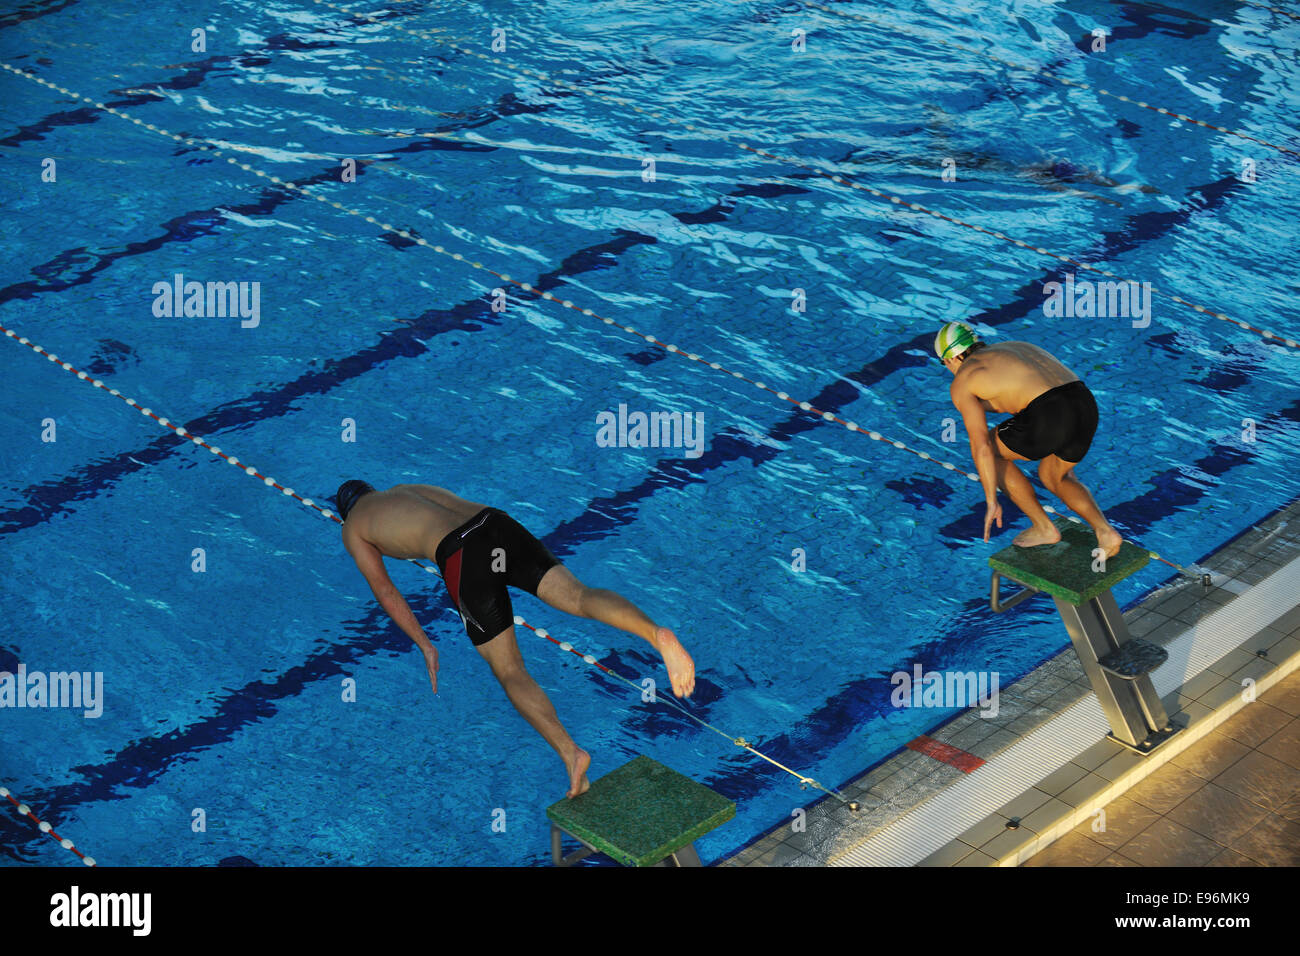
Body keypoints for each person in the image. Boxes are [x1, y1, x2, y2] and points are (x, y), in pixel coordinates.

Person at [334, 480, 695, 798]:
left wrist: (425, 644)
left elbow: (385, 591)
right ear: (370, 490)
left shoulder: (353, 527)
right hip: (496, 524)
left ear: (347, 509)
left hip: (460, 552)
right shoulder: (405, 489)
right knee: (579, 597)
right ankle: (656, 634)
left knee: (509, 670)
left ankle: (572, 753)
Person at [936, 322, 1122, 558]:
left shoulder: (963, 379)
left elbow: (980, 446)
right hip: (1084, 403)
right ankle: (1106, 531)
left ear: (951, 358)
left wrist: (991, 499)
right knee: (1055, 476)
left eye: (944, 363)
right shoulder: (1016, 346)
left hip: (1050, 413)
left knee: (991, 452)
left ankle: (1044, 527)